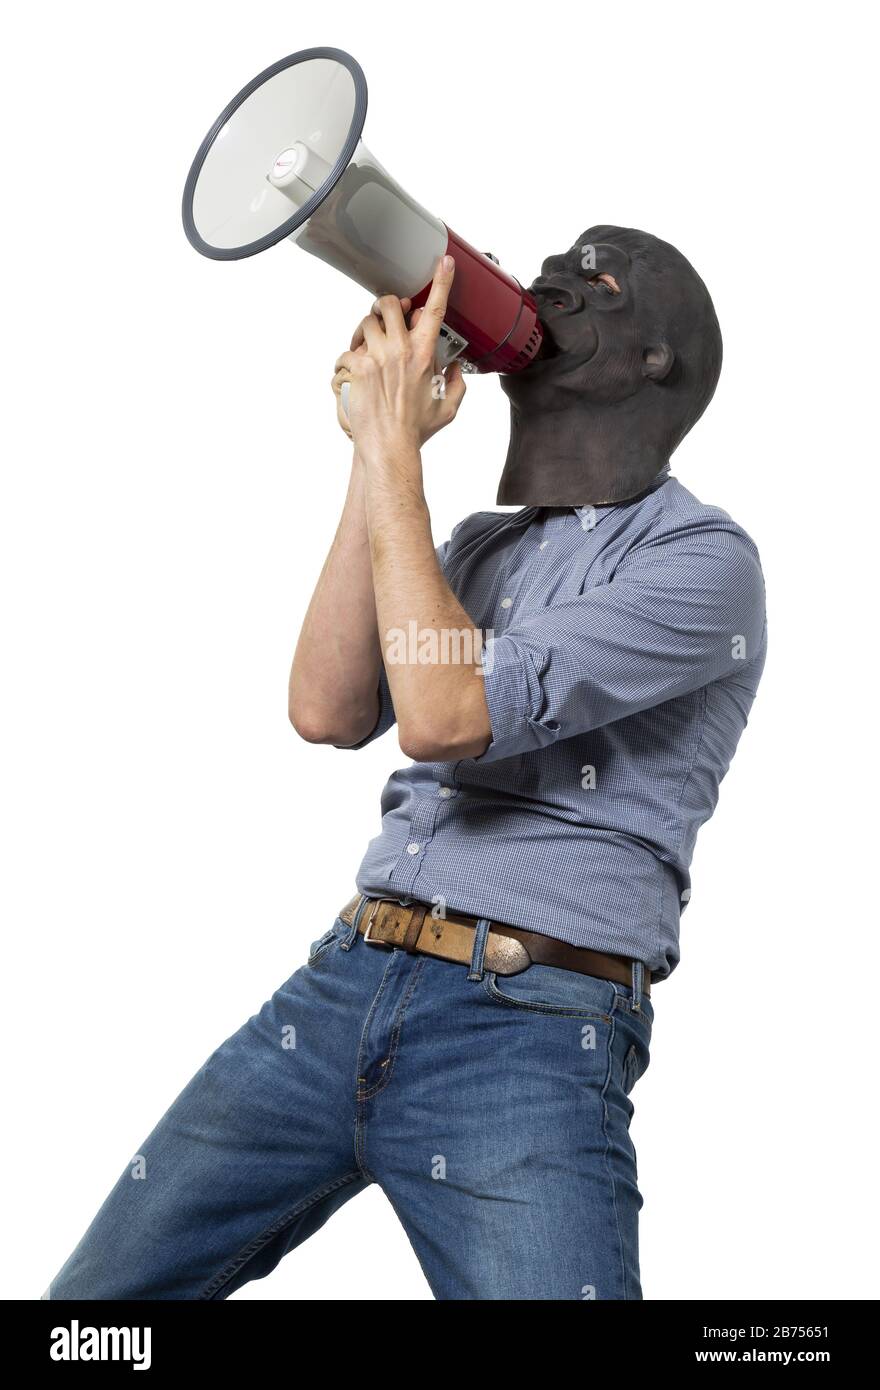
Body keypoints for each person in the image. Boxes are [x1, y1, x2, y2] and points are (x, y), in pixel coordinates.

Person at [46, 228, 766, 1301]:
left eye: (599, 281)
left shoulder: (703, 564)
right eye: (555, 263)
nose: (555, 279)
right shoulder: (482, 545)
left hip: (525, 1026)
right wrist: (374, 452)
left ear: (658, 360)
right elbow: (327, 707)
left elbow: (442, 715)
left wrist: (394, 455)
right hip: (342, 982)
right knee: (92, 1316)